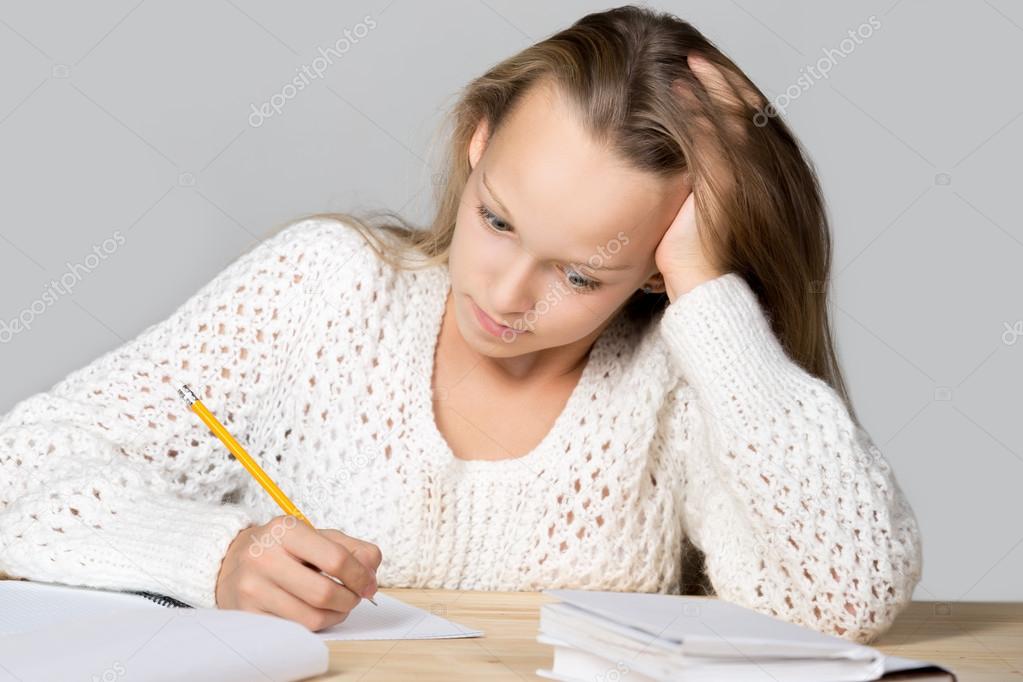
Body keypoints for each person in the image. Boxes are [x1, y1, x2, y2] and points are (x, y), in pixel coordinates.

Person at [0, 5, 922, 642]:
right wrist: (215, 557)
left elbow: (842, 598)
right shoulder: (326, 286)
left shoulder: (680, 376)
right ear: (474, 144)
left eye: (580, 271)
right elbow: (18, 472)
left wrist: (706, 292)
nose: (508, 294)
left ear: (652, 271)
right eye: (497, 219)